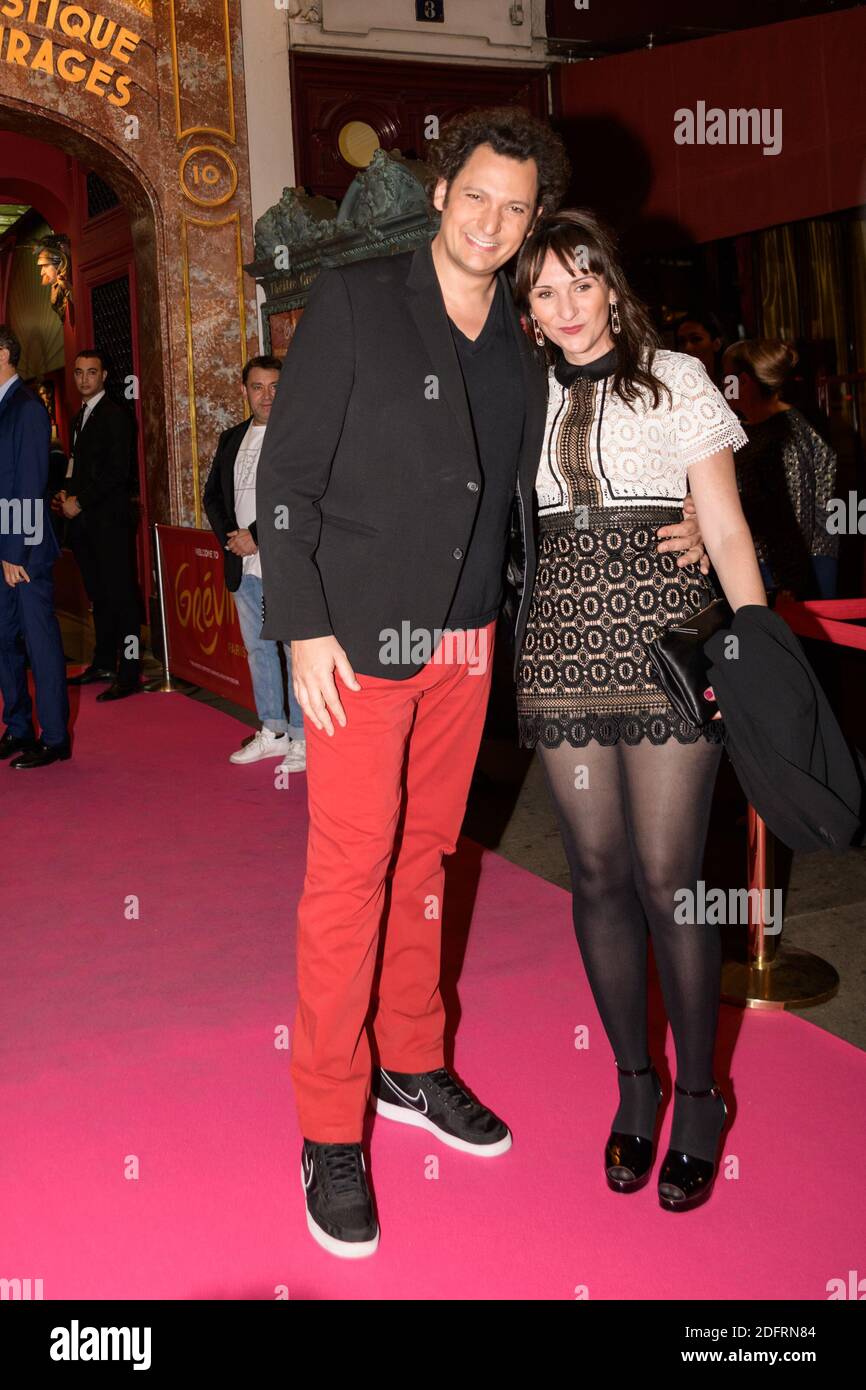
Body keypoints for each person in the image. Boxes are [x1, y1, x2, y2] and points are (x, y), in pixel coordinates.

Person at [255, 108, 705, 1257]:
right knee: (348, 879)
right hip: (355, 647)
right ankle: (326, 1129)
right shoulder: (356, 302)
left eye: (515, 211)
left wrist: (699, 519)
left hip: (464, 648)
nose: (491, 224)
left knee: (425, 865)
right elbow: (290, 482)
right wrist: (302, 629)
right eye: (476, 198)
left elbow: (616, 422)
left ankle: (410, 1062)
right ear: (441, 186)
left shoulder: (518, 337)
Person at [514, 209, 767, 1212]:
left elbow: (729, 527)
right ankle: (633, 1085)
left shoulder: (678, 380)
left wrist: (753, 646)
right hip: (561, 643)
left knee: (670, 878)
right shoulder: (513, 392)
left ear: (610, 285)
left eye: (581, 281)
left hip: (662, 642)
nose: (566, 306)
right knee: (596, 875)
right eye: (542, 292)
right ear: (525, 313)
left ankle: (699, 1095)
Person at [203, 356, 306, 770]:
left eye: (276, 386)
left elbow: (299, 497)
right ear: (244, 390)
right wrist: (234, 537)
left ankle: (303, 737)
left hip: (284, 562)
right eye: (258, 387)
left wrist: (257, 536)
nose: (267, 396)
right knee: (258, 650)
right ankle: (274, 730)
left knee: (295, 650)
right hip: (241, 564)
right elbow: (213, 496)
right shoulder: (231, 438)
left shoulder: (298, 437)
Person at [0, 324, 71, 768]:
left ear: (4, 353)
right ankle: (19, 727)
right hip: (2, 548)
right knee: (4, 641)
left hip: (21, 550)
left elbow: (28, 484)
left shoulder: (26, 408)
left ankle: (56, 737)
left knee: (39, 643)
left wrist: (14, 552)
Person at [722, 338, 839, 600]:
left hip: (795, 572)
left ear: (744, 382)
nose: (722, 386)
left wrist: (790, 585)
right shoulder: (758, 428)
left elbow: (796, 514)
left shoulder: (788, 434)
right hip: (769, 566)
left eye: (726, 378)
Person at [60, 349, 142, 700]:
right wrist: (66, 492)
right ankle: (105, 660)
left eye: (91, 372)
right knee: (101, 597)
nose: (83, 379)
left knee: (122, 598)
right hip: (85, 525)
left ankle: (131, 670)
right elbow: (79, 465)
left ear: (104, 375)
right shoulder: (81, 416)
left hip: (110, 522)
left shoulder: (115, 415)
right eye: (78, 373)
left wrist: (80, 500)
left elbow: (116, 474)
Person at [675, 308, 726, 386]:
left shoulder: (731, 381)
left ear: (716, 343)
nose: (687, 348)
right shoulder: (676, 385)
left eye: (696, 339)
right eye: (682, 341)